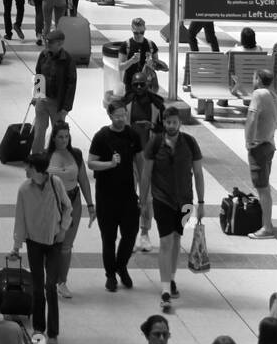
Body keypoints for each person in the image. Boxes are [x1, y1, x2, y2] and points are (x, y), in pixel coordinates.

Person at [139, 106, 204, 315]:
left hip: (185, 201)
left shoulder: (190, 143)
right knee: (166, 241)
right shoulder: (155, 143)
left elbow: (198, 173)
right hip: (162, 199)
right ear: (164, 123)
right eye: (168, 122)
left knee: (177, 239)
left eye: (175, 122)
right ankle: (165, 289)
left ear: (180, 123)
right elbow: (146, 173)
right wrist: (143, 198)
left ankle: (172, 277)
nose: (171, 126)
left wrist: (201, 202)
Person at [10, 152, 72, 344]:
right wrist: (16, 246)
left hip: (54, 242)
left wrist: (63, 230)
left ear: (37, 168)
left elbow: (67, 207)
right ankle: (38, 328)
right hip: (34, 243)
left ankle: (53, 333)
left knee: (50, 287)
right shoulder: (24, 190)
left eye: (28, 167)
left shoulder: (56, 184)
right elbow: (20, 218)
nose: (25, 170)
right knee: (38, 287)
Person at [88, 99, 144, 293]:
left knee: (130, 234)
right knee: (109, 238)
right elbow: (91, 163)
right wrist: (109, 164)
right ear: (110, 116)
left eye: (123, 115)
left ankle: (121, 265)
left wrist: (145, 191)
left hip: (128, 194)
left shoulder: (132, 135)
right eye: (117, 116)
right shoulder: (102, 137)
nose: (121, 119)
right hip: (106, 196)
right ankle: (110, 274)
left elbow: (140, 162)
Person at [46, 122, 95, 300]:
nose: (64, 140)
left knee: (66, 246)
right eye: (60, 136)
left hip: (73, 202)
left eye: (67, 136)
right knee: (51, 244)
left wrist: (90, 205)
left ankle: (62, 282)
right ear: (53, 137)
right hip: (53, 203)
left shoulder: (76, 154)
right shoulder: (46, 156)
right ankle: (50, 279)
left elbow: (83, 180)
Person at [245, 68, 277, 239]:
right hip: (269, 145)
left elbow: (252, 116)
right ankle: (268, 222)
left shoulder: (259, 94)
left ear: (258, 78)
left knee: (262, 188)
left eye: (253, 77)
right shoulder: (273, 96)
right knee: (264, 186)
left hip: (259, 146)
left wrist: (248, 141)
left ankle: (267, 228)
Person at [32, 29, 77, 153]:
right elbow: (39, 75)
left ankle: (57, 158)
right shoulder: (43, 55)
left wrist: (66, 108)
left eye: (50, 43)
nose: (47, 45)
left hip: (58, 104)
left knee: (58, 134)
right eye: (47, 42)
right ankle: (36, 158)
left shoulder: (68, 60)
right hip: (42, 100)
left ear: (60, 44)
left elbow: (71, 85)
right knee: (39, 130)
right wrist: (37, 95)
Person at [117, 18, 163, 96]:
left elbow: (157, 65)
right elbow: (120, 67)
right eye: (136, 33)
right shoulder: (126, 45)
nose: (139, 35)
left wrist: (151, 63)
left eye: (142, 32)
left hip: (147, 84)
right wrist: (131, 61)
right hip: (130, 84)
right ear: (131, 29)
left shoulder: (151, 45)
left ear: (145, 29)